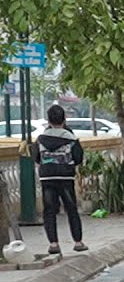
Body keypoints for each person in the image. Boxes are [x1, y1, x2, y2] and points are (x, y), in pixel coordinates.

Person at [33, 105, 87, 254]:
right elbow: (78, 158)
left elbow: (36, 157)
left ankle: (54, 244)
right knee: (71, 209)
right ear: (64, 120)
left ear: (48, 120)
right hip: (65, 177)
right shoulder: (71, 138)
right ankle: (78, 241)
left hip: (47, 177)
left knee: (49, 210)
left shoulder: (41, 139)